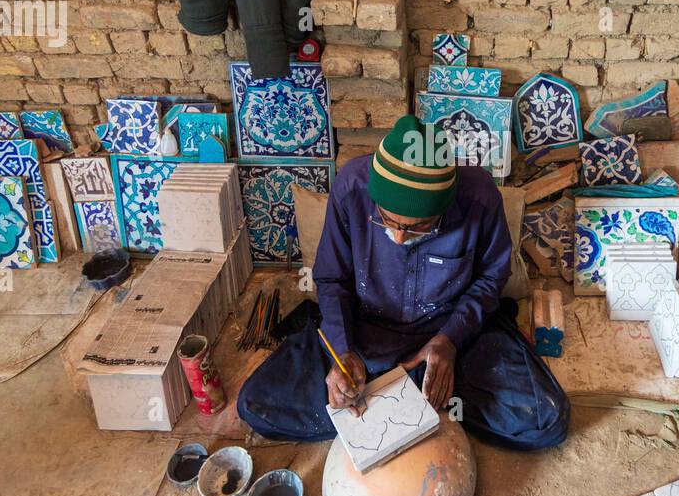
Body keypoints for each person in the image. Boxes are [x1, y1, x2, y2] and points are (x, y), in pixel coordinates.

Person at [235, 115, 570, 450]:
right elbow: (331, 278)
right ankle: (423, 404)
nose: (397, 237)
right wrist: (342, 351)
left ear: (445, 208)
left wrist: (449, 341)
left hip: (450, 334)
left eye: (417, 227)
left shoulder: (479, 199)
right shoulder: (352, 186)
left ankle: (412, 398)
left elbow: (491, 277)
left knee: (545, 420)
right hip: (366, 335)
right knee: (256, 405)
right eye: (386, 220)